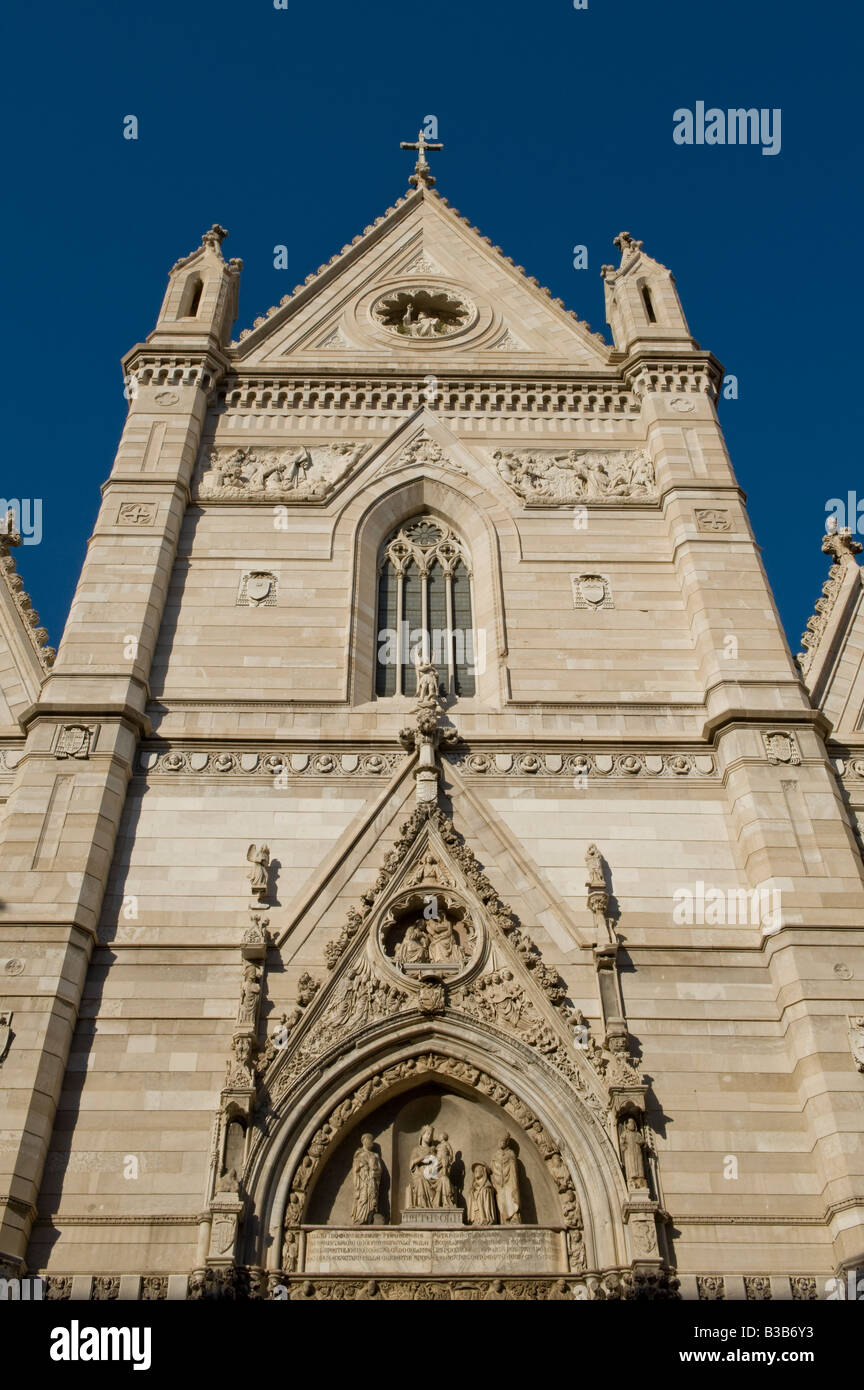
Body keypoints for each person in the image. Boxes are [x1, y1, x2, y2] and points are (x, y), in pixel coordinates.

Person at [351, 1134, 382, 1225]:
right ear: (364, 1141)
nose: (371, 1143)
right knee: (363, 1199)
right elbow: (355, 1170)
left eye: (372, 1141)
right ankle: (360, 1219)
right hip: (363, 1182)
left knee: (372, 1200)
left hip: (372, 1181)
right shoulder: (359, 1154)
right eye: (370, 1140)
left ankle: (370, 1218)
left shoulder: (375, 1155)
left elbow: (380, 1170)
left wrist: (374, 1173)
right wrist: (361, 1166)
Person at [490, 1134, 521, 1224]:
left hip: (510, 1182)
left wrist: (513, 1182)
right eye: (500, 1141)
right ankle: (504, 1220)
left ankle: (514, 1218)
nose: (501, 1143)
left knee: (511, 1198)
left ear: (507, 1143)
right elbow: (492, 1169)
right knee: (501, 1201)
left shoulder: (511, 1154)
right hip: (499, 1184)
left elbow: (513, 1170)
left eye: (503, 1141)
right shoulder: (495, 1155)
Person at [467, 1162, 497, 1226]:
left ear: (483, 1171)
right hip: (475, 1212)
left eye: (478, 1169)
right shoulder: (473, 1187)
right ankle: (474, 1219)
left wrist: (480, 1191)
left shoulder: (487, 1186)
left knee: (484, 1191)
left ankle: (485, 1218)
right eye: (475, 1170)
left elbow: (488, 1192)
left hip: (484, 1212)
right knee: (471, 1193)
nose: (476, 1171)